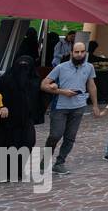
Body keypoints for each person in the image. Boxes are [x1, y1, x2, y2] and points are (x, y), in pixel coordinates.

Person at [41, 40, 99, 176]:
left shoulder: (89, 67)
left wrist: (95, 105)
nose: (79, 54)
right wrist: (61, 91)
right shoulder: (61, 67)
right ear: (71, 53)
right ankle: (45, 158)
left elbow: (92, 86)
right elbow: (44, 85)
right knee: (55, 135)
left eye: (82, 52)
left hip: (79, 107)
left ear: (86, 52)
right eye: (76, 52)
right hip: (60, 107)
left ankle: (60, 163)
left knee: (70, 137)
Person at [0, 55, 42, 181]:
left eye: (26, 65)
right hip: (7, 120)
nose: (23, 68)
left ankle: (17, 170)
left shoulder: (35, 80)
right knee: (7, 144)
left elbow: (40, 97)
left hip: (26, 119)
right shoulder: (5, 79)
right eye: (20, 64)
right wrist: (1, 107)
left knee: (28, 142)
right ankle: (3, 172)